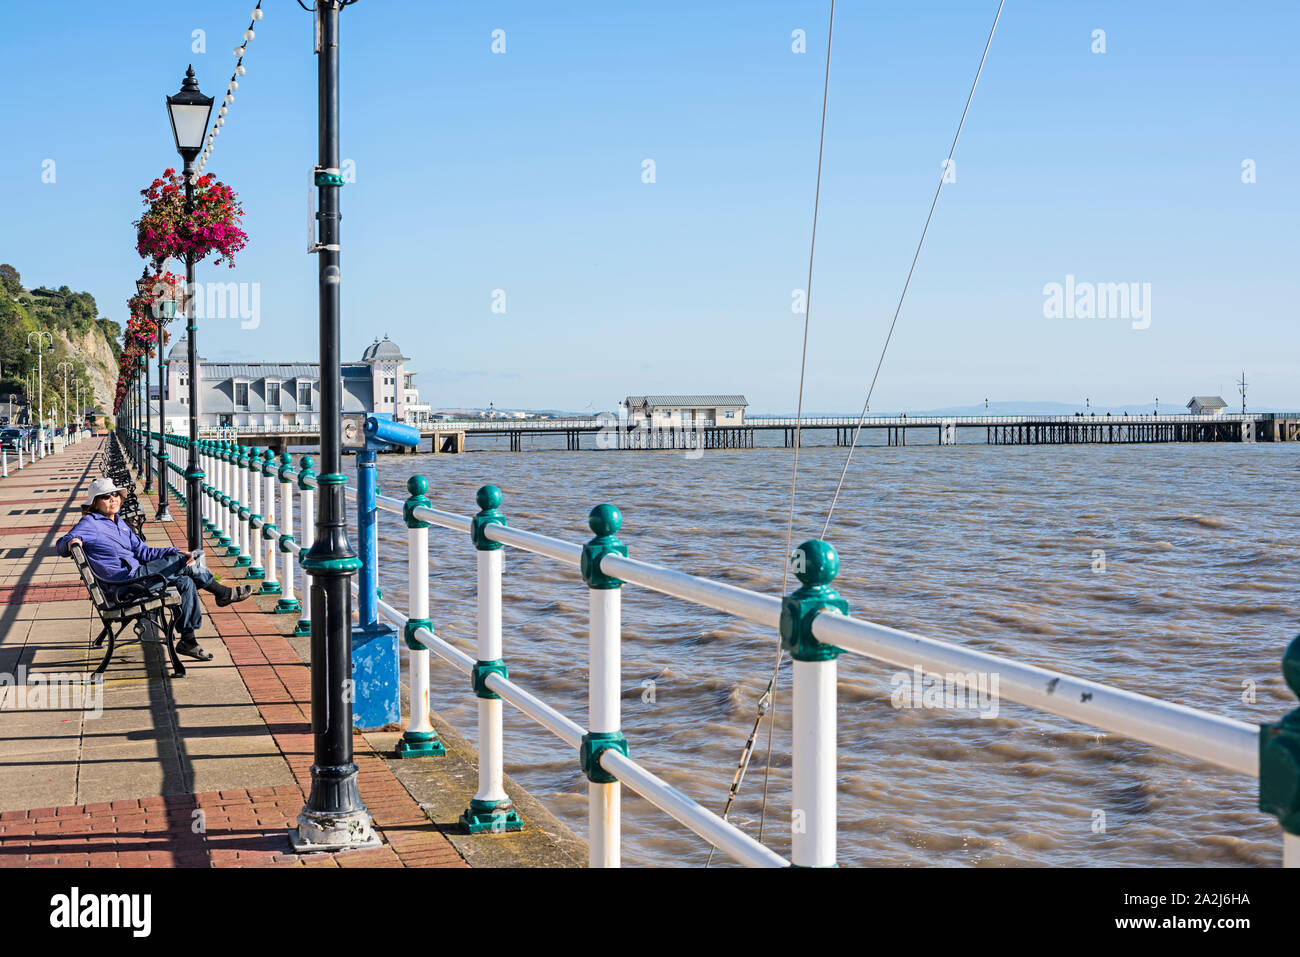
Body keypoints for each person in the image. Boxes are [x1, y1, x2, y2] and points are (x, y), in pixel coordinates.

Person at [56, 477, 253, 661]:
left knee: (185, 581)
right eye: (106, 497)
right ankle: (222, 593)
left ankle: (188, 640)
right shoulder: (90, 523)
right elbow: (60, 545)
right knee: (181, 562)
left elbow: (143, 552)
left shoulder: (119, 523)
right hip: (124, 583)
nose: (113, 499)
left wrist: (175, 550)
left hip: (137, 577)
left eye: (115, 494)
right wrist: (71, 542)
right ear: (95, 502)